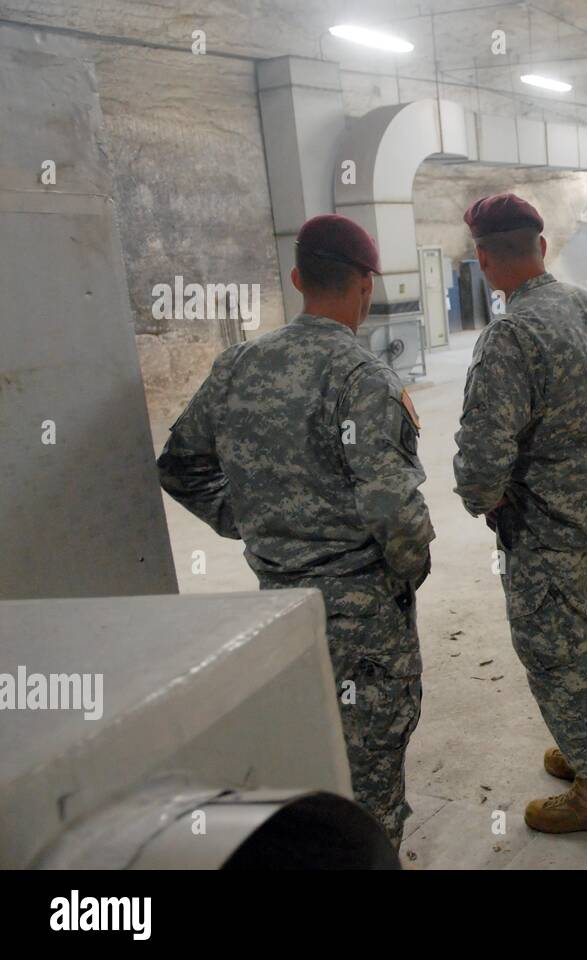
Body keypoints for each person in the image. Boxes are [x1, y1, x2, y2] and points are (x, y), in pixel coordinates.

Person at [157, 214, 434, 848]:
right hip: (359, 610)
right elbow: (394, 512)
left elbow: (179, 466)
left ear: (296, 278)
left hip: (275, 602)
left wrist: (247, 519)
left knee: (307, 752)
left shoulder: (237, 365)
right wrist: (405, 572)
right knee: (370, 769)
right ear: (367, 285)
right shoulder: (363, 377)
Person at [453, 193, 587, 834]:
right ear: (541, 248)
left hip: (546, 532)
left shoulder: (509, 338)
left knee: (555, 651)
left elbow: (481, 463)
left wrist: (490, 497)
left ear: (485, 263)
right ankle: (585, 747)